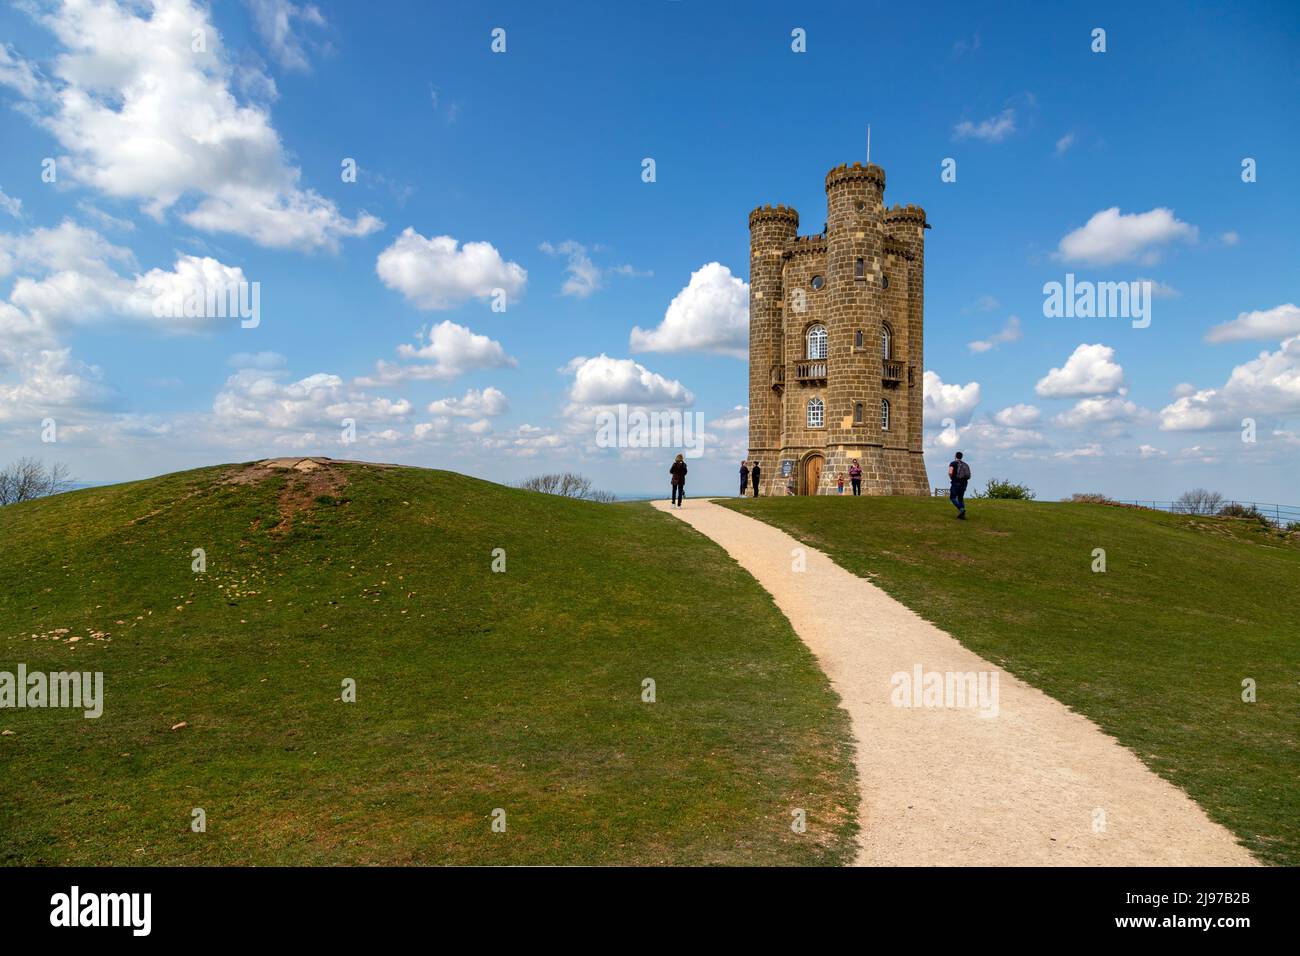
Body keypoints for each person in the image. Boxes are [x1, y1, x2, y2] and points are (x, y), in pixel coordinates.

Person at [948, 451, 971, 519]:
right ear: (961, 457)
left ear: (955, 456)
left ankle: (961, 509)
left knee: (952, 497)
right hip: (964, 483)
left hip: (956, 482)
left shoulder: (953, 463)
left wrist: (951, 478)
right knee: (960, 498)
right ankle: (962, 515)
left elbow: (950, 472)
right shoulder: (965, 464)